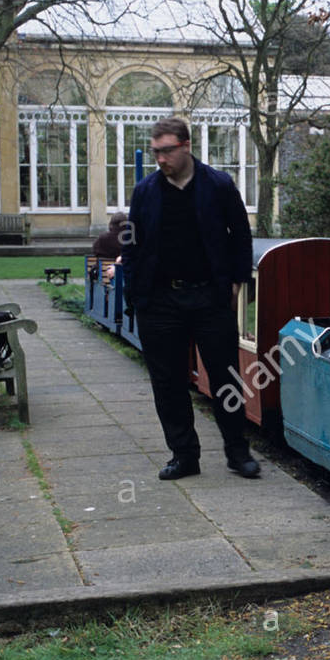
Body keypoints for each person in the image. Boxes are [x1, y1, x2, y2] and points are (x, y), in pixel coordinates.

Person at [120, 116, 259, 480]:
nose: (160, 159)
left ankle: (237, 451)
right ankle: (184, 455)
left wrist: (236, 284)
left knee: (225, 379)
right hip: (161, 301)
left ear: (185, 146)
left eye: (166, 151)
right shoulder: (146, 191)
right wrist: (136, 294)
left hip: (209, 298)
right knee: (167, 383)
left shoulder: (218, 185)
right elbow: (131, 243)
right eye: (156, 152)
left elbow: (241, 236)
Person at [91, 211, 128, 284]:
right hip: (122, 279)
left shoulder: (102, 238)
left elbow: (95, 251)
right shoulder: (128, 240)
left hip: (103, 278)